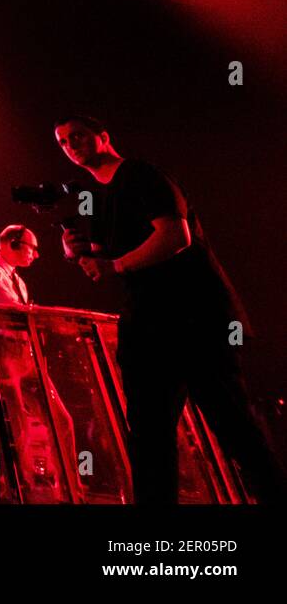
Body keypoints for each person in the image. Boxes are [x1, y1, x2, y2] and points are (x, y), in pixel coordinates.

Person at [54, 114, 286, 503]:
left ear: (104, 136)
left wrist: (114, 264)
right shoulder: (98, 197)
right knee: (149, 436)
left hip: (194, 320)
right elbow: (104, 259)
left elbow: (175, 236)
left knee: (233, 428)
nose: (70, 144)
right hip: (147, 326)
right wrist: (76, 252)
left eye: (77, 135)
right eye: (62, 142)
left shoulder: (142, 176)